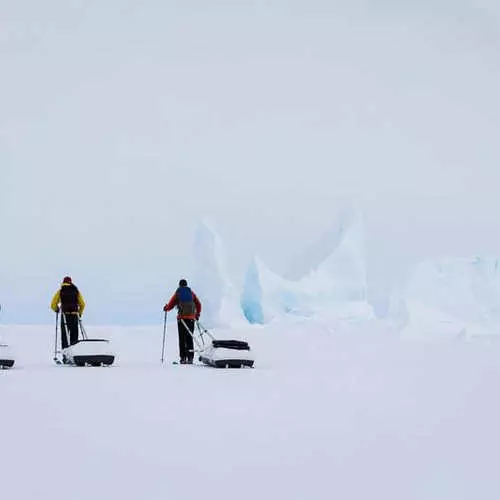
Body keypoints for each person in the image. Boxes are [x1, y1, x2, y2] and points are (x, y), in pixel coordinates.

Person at [163, 279, 202, 364]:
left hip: (182, 319)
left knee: (182, 338)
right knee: (189, 337)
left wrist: (166, 308)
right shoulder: (191, 293)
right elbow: (199, 304)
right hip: (191, 318)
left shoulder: (178, 293)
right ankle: (190, 358)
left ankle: (183, 358)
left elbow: (171, 304)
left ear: (180, 285)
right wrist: (197, 314)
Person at [50, 276, 86, 350]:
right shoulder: (76, 291)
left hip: (65, 315)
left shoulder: (60, 291)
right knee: (74, 335)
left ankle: (65, 354)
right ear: (71, 282)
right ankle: (75, 353)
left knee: (64, 336)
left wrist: (56, 309)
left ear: (63, 282)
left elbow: (53, 304)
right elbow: (82, 304)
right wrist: (79, 313)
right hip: (74, 315)